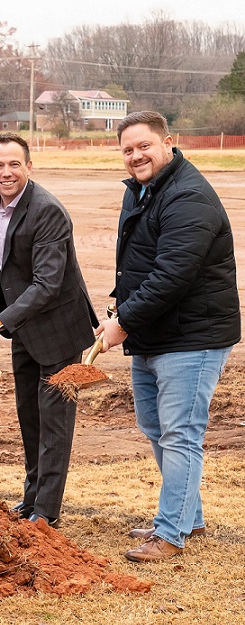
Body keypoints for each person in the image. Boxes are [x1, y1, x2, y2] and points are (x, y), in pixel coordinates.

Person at [96, 111, 239, 562]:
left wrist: (124, 322)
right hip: (156, 331)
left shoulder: (188, 195)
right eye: (128, 150)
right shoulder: (142, 190)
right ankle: (186, 516)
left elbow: (173, 274)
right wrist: (121, 300)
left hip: (193, 337)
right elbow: (138, 260)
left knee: (180, 434)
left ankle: (171, 531)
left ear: (168, 143)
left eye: (144, 146)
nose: (136, 155)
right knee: (156, 427)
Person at [0, 132, 98, 528]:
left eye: (14, 164)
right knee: (30, 416)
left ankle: (47, 513)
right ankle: (31, 498)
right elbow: (11, 256)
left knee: (54, 422)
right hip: (26, 327)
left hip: (57, 328)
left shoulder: (48, 211)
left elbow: (48, 283)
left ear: (29, 166)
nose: (6, 173)